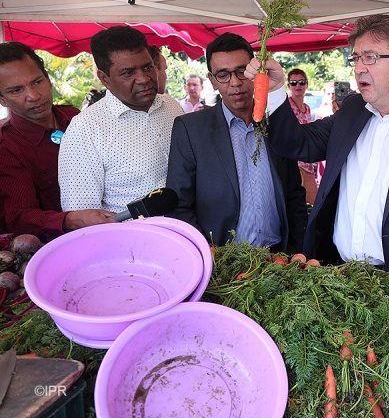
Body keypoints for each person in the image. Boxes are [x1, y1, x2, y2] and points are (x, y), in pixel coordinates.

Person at [245, 14, 389, 272]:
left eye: (370, 57)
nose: (359, 67)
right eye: (356, 58)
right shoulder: (352, 112)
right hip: (338, 274)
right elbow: (295, 143)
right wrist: (276, 88)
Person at [166, 33, 306, 252]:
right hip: (222, 262)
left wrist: (297, 250)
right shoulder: (191, 129)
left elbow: (294, 193)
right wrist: (209, 257)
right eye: (223, 75)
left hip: (280, 259)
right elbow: (179, 205)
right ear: (211, 80)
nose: (235, 82)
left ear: (255, 72)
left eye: (242, 71)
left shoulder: (276, 123)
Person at [59, 26, 184, 213]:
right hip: (131, 239)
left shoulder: (172, 107)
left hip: (190, 230)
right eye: (128, 73)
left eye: (148, 67)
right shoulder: (86, 129)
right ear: (104, 78)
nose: (143, 79)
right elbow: (83, 214)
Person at [0, 42, 114, 242]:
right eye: (16, 90)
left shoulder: (76, 117)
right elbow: (19, 218)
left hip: (110, 230)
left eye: (37, 82)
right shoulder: (6, 148)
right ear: (2, 99)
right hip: (55, 248)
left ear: (48, 78)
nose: (34, 96)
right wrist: (71, 220)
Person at [286, 67, 318, 205]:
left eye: (301, 82)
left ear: (307, 84)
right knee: (295, 205)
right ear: (289, 86)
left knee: (314, 202)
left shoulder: (307, 108)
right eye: (293, 83)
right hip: (292, 163)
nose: (298, 86)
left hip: (307, 162)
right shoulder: (285, 106)